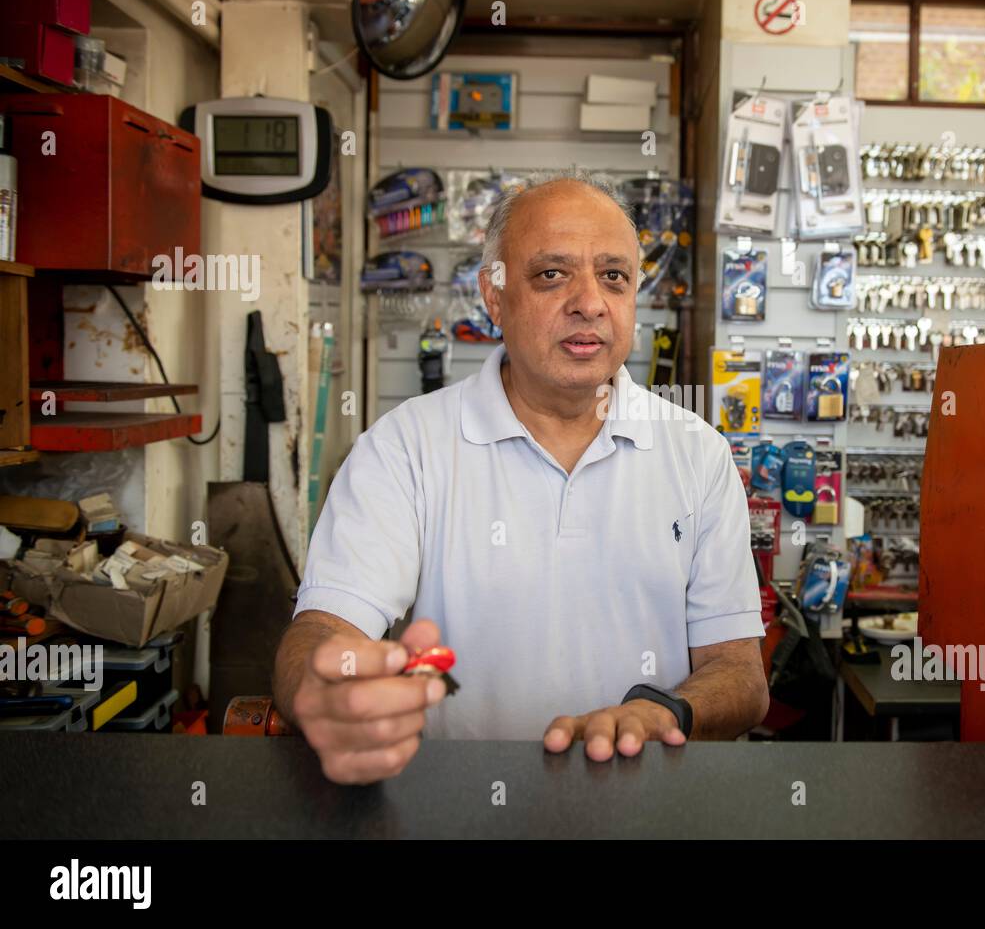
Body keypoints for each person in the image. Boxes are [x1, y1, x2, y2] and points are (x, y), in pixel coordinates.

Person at [273, 171, 767, 784]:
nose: (590, 302)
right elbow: (322, 627)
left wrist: (661, 712)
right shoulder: (405, 448)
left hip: (643, 812)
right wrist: (327, 690)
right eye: (552, 275)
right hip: (452, 814)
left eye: (613, 276)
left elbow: (741, 674)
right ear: (494, 296)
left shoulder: (698, 454)